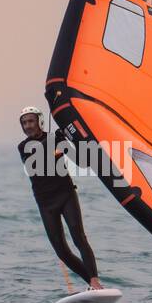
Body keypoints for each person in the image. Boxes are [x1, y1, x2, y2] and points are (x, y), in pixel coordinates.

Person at [17, 106, 104, 290]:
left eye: (31, 121)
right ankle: (90, 281)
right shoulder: (24, 147)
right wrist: (55, 140)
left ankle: (94, 281)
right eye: (24, 123)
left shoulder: (56, 139)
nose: (28, 126)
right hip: (46, 203)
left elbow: (81, 161)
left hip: (66, 195)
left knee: (79, 238)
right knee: (61, 251)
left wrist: (68, 139)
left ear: (40, 121)